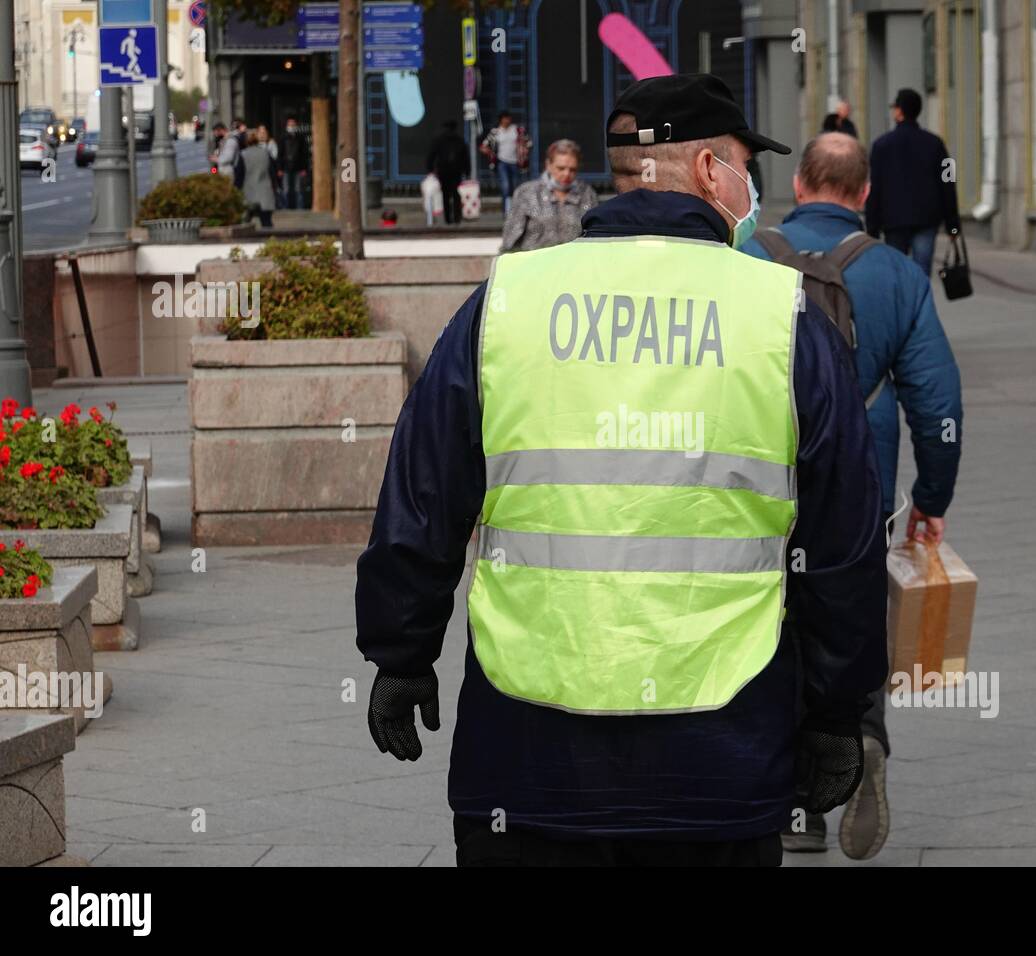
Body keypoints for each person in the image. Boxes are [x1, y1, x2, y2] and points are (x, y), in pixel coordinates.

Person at [356, 73, 889, 868]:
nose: (753, 188)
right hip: (720, 761)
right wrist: (838, 713)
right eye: (747, 165)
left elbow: (423, 492)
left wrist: (401, 653)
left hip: (529, 756)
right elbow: (843, 538)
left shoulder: (507, 303)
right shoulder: (784, 317)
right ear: (710, 172)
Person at [743, 131, 963, 859]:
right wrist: (932, 495)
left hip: (758, 490)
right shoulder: (897, 275)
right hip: (860, 488)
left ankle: (793, 808)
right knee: (852, 623)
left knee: (769, 629)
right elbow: (937, 402)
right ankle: (863, 739)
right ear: (864, 194)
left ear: (799, 184)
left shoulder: (745, 260)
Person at [863, 89, 961, 277]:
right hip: (926, 219)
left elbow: (875, 188)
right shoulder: (935, 144)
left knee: (896, 272)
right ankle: (919, 305)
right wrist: (953, 225)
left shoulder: (881, 145)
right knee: (921, 273)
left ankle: (900, 305)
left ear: (899, 112)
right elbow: (948, 183)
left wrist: (872, 228)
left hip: (893, 220)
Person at [500, 139, 599, 252]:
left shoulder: (587, 194)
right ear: (548, 165)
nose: (566, 174)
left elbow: (594, 237)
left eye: (572, 169)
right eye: (561, 168)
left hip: (573, 266)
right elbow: (510, 240)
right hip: (534, 265)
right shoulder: (527, 192)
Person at [480, 110, 532, 216]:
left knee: (515, 187)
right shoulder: (495, 132)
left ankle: (515, 211)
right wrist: (490, 153)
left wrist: (525, 149)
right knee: (506, 186)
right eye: (505, 118)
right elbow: (484, 146)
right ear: (501, 120)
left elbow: (529, 142)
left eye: (508, 118)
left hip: (515, 162)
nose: (507, 120)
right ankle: (506, 211)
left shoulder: (517, 130)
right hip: (502, 162)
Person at [426, 120, 471, 225]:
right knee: (456, 194)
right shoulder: (459, 140)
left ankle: (447, 218)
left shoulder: (439, 140)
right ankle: (457, 217)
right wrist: (467, 171)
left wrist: (430, 169)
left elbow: (432, 155)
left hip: (443, 170)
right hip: (457, 171)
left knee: (445, 195)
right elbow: (465, 158)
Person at [239, 128, 276, 228]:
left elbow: (239, 175)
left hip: (248, 192)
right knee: (267, 222)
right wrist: (275, 188)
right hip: (265, 191)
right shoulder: (265, 153)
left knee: (245, 222)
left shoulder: (243, 155)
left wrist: (237, 190)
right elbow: (272, 172)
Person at [280, 115, 310, 210]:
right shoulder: (283, 138)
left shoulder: (301, 138)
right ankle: (285, 208)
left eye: (293, 124)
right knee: (286, 189)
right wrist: (280, 168)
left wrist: (304, 168)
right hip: (285, 167)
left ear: (296, 125)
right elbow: (280, 154)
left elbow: (305, 154)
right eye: (290, 124)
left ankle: (300, 208)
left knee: (299, 189)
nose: (291, 126)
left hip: (298, 167)